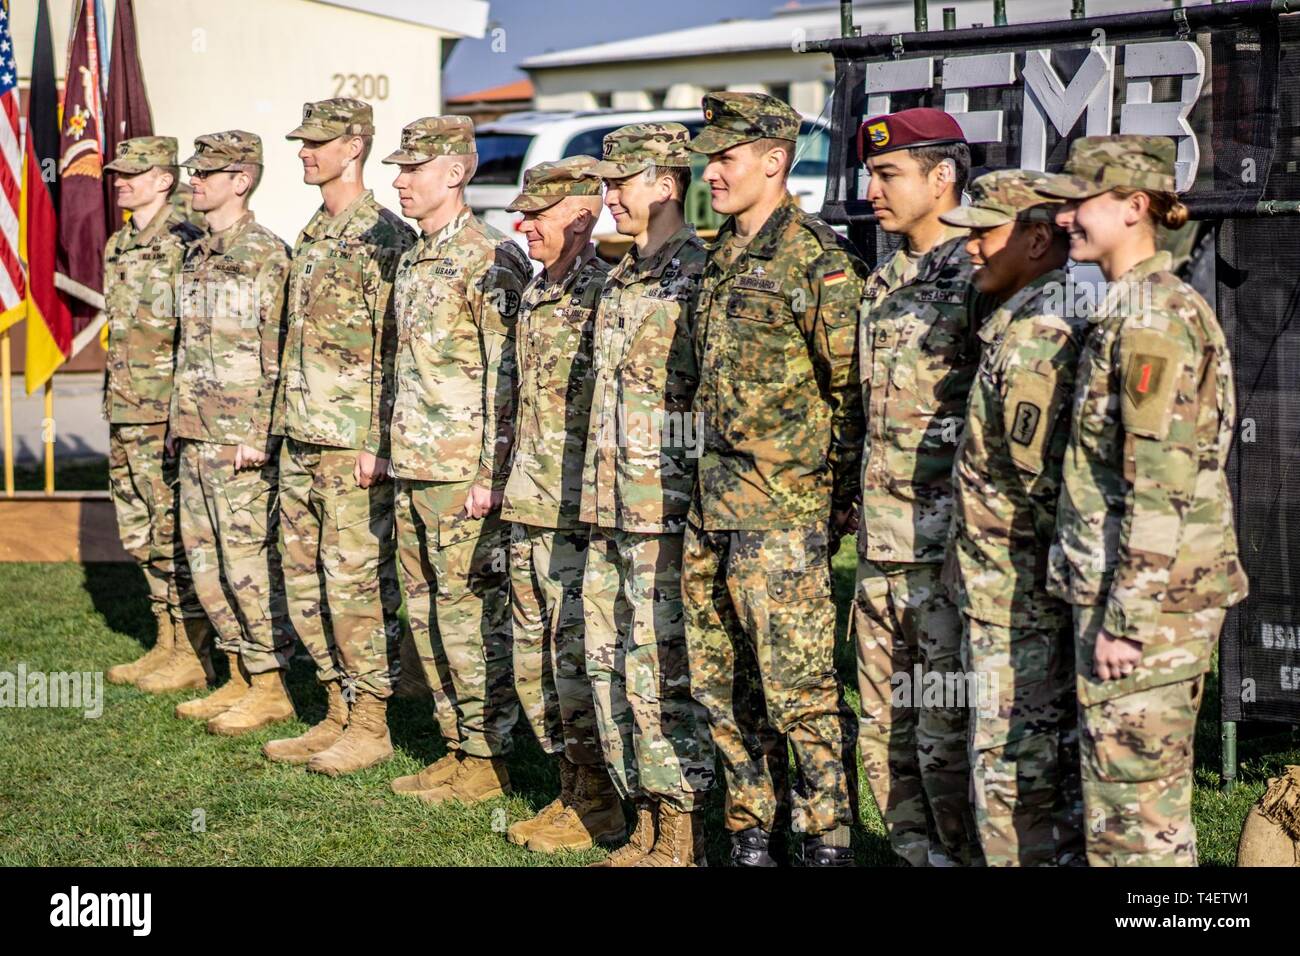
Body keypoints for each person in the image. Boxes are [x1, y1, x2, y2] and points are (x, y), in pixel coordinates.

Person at [1036, 134, 1248, 866]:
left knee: (1137, 825)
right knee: (1120, 807)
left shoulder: (1154, 319)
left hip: (1150, 611)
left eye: (1082, 203)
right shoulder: (1130, 308)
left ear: (1134, 207)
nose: (1066, 220)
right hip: (1127, 596)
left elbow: (1160, 481)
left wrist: (1127, 621)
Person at [683, 92, 864, 867]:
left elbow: (853, 391)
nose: (711, 172)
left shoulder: (816, 259)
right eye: (710, 157)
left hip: (784, 513)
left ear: (773, 160)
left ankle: (826, 838)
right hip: (711, 510)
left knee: (802, 695)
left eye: (725, 158)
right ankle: (752, 828)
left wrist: (836, 500)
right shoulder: (718, 254)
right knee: (721, 687)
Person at [577, 124, 717, 867]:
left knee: (661, 667)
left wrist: (687, 493)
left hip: (663, 504)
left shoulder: (699, 271)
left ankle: (684, 827)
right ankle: (645, 818)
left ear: (665, 183)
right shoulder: (625, 274)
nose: (608, 198)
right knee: (611, 659)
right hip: (608, 501)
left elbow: (708, 395)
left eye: (619, 184)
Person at [854, 107, 990, 867]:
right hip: (881, 545)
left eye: (888, 174)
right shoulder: (886, 278)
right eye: (872, 174)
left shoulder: (978, 276)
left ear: (942, 179)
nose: (872, 189)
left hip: (945, 554)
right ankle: (914, 855)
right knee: (884, 725)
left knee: (946, 729)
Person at [262, 99, 414, 775]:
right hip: (302, 435)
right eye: (303, 142)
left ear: (353, 147)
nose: (303, 152)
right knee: (305, 584)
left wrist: (378, 441)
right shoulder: (314, 231)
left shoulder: (385, 236)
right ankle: (335, 709)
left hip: (350, 444)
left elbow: (398, 349)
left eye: (316, 143)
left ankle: (373, 721)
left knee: (355, 588)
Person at [938, 169, 1086, 866]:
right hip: (1003, 593)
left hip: (1021, 599)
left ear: (1035, 240)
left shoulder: (1039, 337)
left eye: (985, 234)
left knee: (1015, 780)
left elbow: (1040, 490)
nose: (970, 248)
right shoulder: (1014, 324)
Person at [381, 117, 530, 806]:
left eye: (413, 169)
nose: (400, 181)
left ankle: (491, 755)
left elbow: (510, 378)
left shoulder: (490, 257)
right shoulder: (415, 257)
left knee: (469, 617)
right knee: (427, 614)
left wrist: (492, 477)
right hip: (414, 465)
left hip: (461, 475)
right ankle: (456, 745)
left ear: (455, 172)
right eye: (399, 168)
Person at [497, 157, 621, 853]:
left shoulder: (604, 293)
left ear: (581, 216)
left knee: (575, 660)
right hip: (528, 500)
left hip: (576, 511)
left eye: (537, 216)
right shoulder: (539, 290)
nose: (523, 227)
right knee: (534, 658)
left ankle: (599, 801)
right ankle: (569, 786)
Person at [168, 131, 297, 735]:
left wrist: (259, 432)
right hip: (195, 431)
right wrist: (176, 420)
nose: (194, 180)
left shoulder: (267, 256)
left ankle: (271, 686)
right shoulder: (198, 254)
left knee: (245, 563)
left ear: (240, 181)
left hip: (238, 439)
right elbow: (190, 348)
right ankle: (239, 676)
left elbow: (280, 353)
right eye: (194, 172)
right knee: (206, 561)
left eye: (206, 172)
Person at [101, 136, 213, 693]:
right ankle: (166, 638)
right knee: (139, 529)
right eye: (118, 173)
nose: (120, 181)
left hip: (164, 413)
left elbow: (198, 335)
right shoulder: (120, 242)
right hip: (123, 405)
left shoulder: (186, 240)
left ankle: (193, 651)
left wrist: (180, 410)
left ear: (164, 179)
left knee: (173, 529)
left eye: (132, 173)